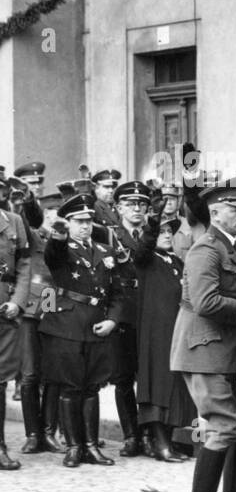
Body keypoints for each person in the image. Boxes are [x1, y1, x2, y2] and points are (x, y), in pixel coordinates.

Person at [171, 181, 236, 492]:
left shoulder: (233, 248)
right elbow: (205, 302)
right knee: (223, 427)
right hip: (204, 349)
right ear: (215, 212)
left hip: (229, 350)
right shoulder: (206, 249)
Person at [41, 192, 123, 466]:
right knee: (70, 387)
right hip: (67, 324)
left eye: (88, 221)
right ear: (69, 224)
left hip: (97, 324)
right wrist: (59, 235)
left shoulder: (106, 252)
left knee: (91, 388)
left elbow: (119, 293)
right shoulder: (61, 249)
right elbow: (52, 257)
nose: (85, 226)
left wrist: (113, 319)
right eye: (78, 221)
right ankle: (73, 447)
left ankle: (91, 445)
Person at [133, 199, 193, 462]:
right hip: (155, 335)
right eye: (162, 232)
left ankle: (169, 440)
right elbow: (144, 246)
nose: (167, 235)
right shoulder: (147, 260)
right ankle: (160, 444)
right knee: (157, 386)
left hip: (176, 333)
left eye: (170, 231)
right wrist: (153, 222)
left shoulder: (176, 261)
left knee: (173, 387)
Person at [13, 167, 62, 453]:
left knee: (53, 373)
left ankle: (49, 431)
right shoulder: (31, 232)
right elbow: (29, 215)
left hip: (54, 307)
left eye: (58, 212)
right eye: (50, 211)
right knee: (30, 374)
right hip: (31, 309)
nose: (54, 217)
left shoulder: (63, 239)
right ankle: (33, 434)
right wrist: (30, 199)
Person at [106, 180, 155, 457]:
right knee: (123, 377)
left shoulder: (154, 232)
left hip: (149, 311)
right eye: (130, 204)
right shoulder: (110, 236)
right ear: (118, 208)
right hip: (123, 314)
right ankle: (130, 435)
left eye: (141, 204)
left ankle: (148, 434)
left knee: (147, 375)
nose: (136, 209)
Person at [0, 180, 32, 470]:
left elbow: (24, 265)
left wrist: (19, 301)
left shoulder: (14, 222)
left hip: (5, 307)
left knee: (1, 379)